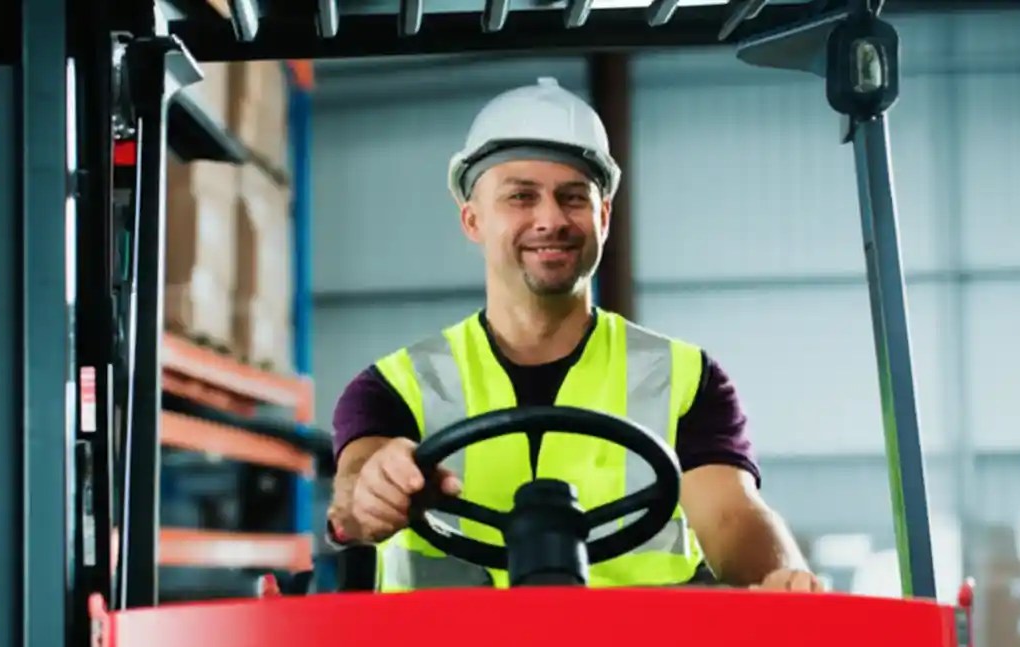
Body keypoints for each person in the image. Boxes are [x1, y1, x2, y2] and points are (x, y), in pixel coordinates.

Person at [326, 77, 821, 594]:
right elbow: (354, 492)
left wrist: (779, 577)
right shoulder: (396, 386)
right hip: (447, 645)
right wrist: (370, 494)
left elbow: (731, 515)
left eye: (573, 198)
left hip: (636, 645)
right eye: (521, 197)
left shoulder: (684, 378)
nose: (551, 219)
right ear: (473, 220)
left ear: (603, 217)